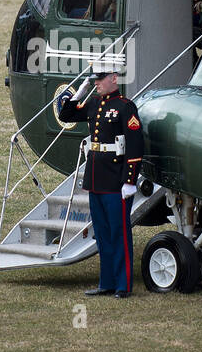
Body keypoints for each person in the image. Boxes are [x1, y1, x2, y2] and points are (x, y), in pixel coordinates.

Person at [56, 60, 144, 298]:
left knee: (119, 233)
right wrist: (80, 91)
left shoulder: (125, 107)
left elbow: (135, 146)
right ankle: (106, 282)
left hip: (116, 181)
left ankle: (123, 285)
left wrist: (129, 181)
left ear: (114, 78)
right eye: (94, 79)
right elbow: (66, 115)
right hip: (96, 180)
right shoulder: (93, 102)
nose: (96, 83)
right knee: (102, 234)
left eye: (100, 78)